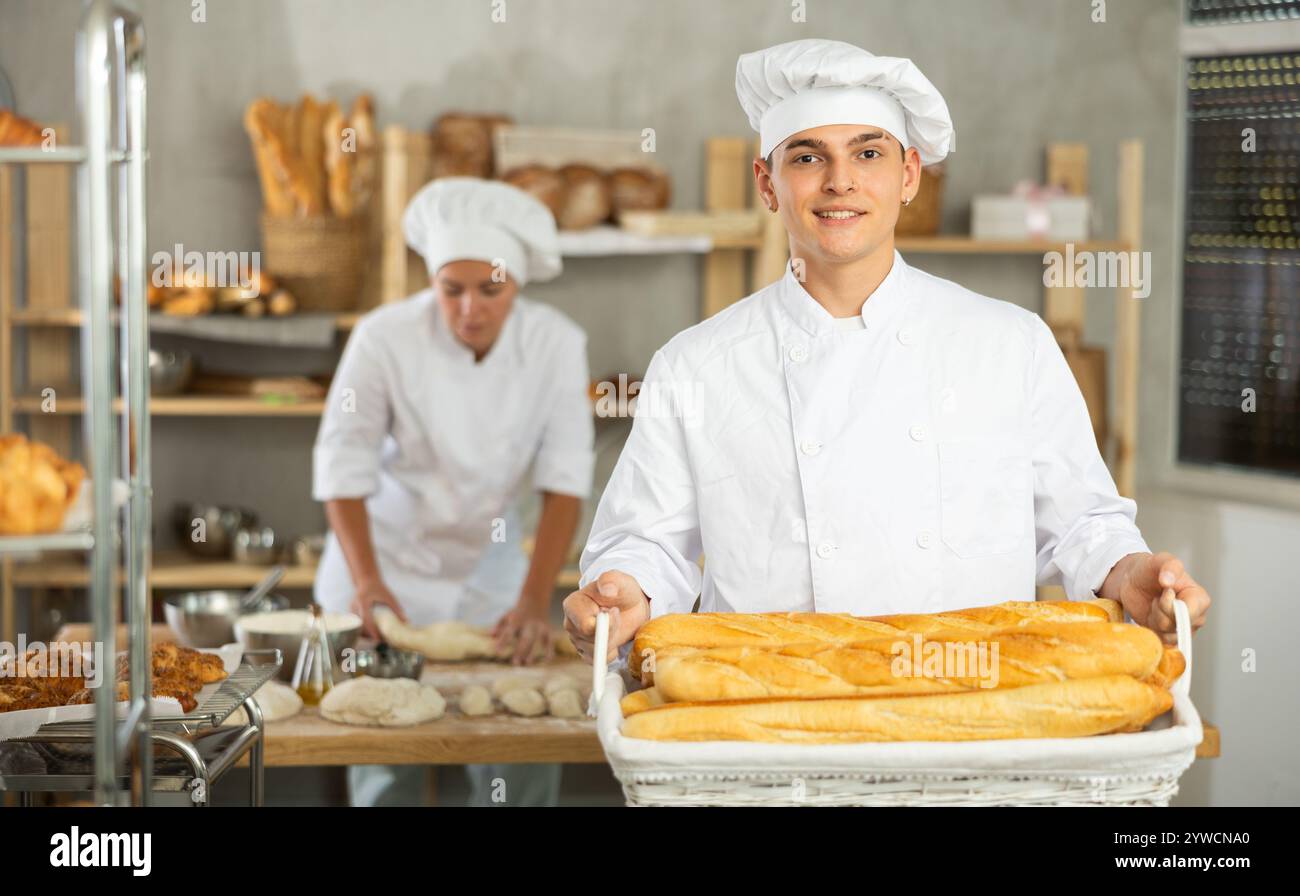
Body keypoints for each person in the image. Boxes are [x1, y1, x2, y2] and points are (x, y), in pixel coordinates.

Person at [564, 38, 1210, 666]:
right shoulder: (697, 363)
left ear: (907, 176)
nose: (840, 182)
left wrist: (1129, 572)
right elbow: (647, 540)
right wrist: (624, 590)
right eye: (808, 157)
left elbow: (1081, 523)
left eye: (867, 153)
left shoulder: (1008, 343)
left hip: (968, 704)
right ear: (767, 183)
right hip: (773, 711)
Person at [313, 177, 594, 805]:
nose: (470, 308)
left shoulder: (554, 344)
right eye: (451, 289)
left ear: (516, 284)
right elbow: (342, 461)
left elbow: (565, 479)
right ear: (431, 283)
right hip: (382, 562)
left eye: (490, 289)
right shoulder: (384, 337)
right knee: (386, 753)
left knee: (514, 743)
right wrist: (366, 582)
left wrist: (531, 602)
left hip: (487, 568)